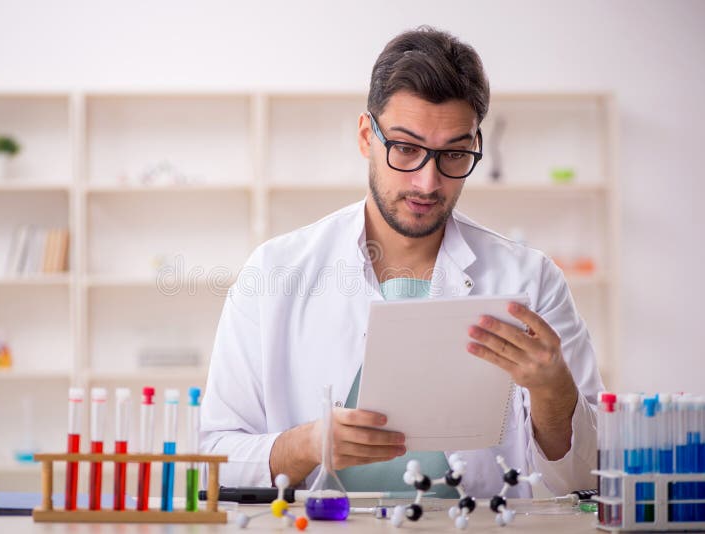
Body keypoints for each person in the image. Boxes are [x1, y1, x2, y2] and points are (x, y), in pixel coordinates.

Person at [200, 26, 603, 498]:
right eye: (406, 149)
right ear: (366, 136)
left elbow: (584, 480)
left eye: (453, 154)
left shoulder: (531, 280)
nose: (428, 183)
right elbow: (215, 457)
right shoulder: (274, 271)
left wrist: (554, 393)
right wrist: (308, 444)